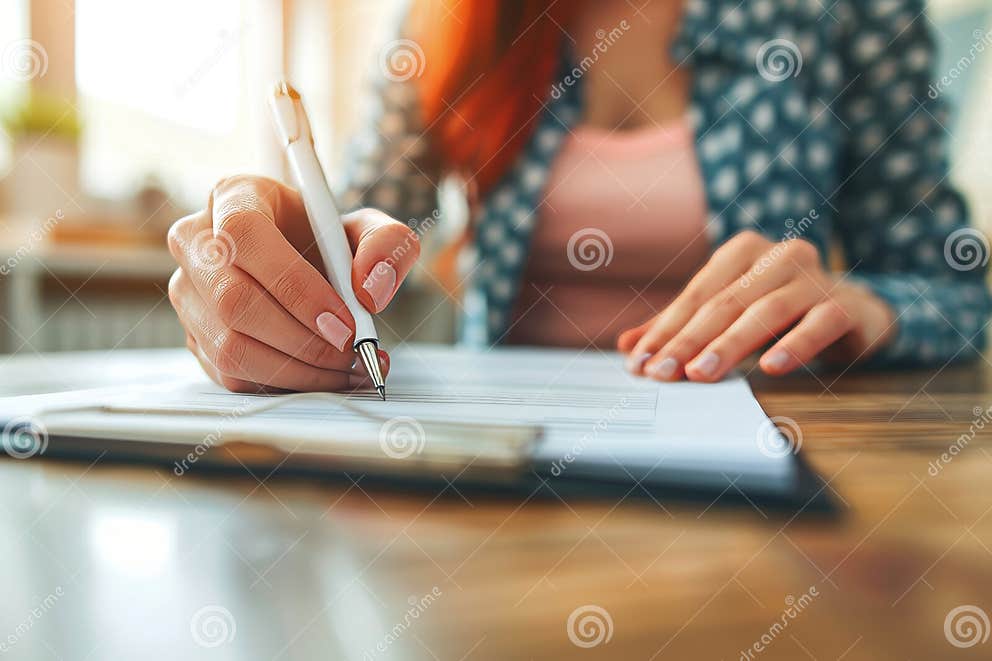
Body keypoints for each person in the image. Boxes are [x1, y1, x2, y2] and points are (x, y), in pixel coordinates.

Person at [167, 0, 990, 393]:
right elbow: (351, 227)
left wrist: (859, 307)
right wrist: (284, 272)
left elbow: (955, 292)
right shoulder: (445, 23)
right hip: (501, 483)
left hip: (765, 457)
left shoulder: (848, 14)